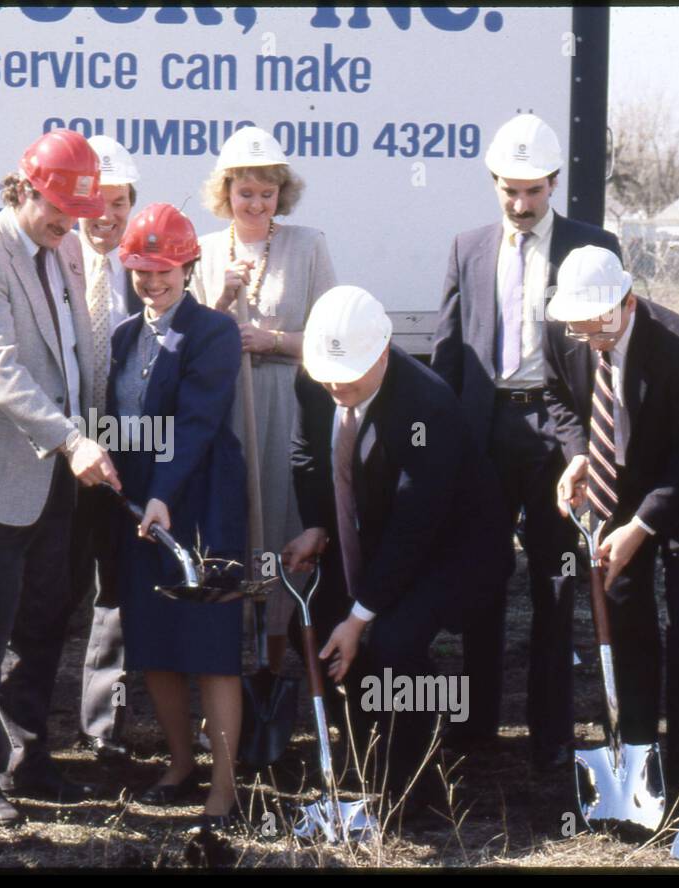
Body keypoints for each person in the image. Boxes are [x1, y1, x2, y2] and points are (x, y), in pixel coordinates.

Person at [429, 113, 622, 770]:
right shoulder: (467, 247)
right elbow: (448, 355)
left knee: (557, 580)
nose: (520, 204)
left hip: (557, 433)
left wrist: (591, 450)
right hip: (486, 436)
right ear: (494, 184)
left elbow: (609, 358)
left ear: (554, 183)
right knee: (480, 579)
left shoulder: (592, 248)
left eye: (533, 191)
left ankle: (552, 730)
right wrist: (447, 448)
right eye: (509, 190)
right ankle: (476, 721)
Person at [0, 128, 118, 826]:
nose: (65, 225)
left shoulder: (65, 246)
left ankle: (26, 756)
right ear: (24, 186)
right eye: (53, 209)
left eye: (75, 214)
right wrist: (72, 441)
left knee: (43, 622)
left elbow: (75, 352)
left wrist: (93, 434)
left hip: (55, 480)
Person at [282, 286, 510, 812]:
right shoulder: (319, 376)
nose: (337, 385)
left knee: (394, 642)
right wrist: (317, 524)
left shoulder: (425, 405)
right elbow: (306, 455)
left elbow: (416, 523)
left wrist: (360, 618)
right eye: (328, 375)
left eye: (351, 375)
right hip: (380, 536)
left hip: (454, 548)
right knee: (309, 628)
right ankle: (364, 753)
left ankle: (416, 788)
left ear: (382, 353)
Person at [545, 245, 679, 805]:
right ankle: (636, 760)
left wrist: (643, 527)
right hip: (615, 487)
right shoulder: (568, 328)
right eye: (580, 330)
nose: (590, 339)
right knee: (624, 615)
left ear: (627, 302)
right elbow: (560, 398)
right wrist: (578, 453)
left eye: (600, 329)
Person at [109, 203, 247, 825]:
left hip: (202, 504)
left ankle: (224, 787)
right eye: (141, 270)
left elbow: (194, 425)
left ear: (189, 266)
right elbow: (119, 424)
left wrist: (164, 492)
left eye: (164, 269)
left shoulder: (213, 332)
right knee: (155, 642)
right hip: (142, 506)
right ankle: (180, 762)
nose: (153, 282)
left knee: (212, 648)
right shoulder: (121, 336)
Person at [190, 125, 336, 667]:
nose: (256, 203)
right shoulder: (203, 253)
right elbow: (191, 344)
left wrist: (272, 340)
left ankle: (274, 663)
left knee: (278, 521)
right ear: (225, 191)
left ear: (282, 194)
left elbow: (329, 339)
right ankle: (226, 662)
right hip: (226, 408)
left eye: (267, 193)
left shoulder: (308, 245)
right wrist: (225, 298)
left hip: (287, 404)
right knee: (232, 526)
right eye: (245, 192)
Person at [72, 134, 144, 763]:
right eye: (96, 201)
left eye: (119, 202)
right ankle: (25, 737)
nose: (108, 216)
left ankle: (104, 731)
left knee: (116, 593)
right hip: (58, 454)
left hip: (124, 458)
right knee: (51, 590)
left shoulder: (150, 270)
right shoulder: (53, 263)